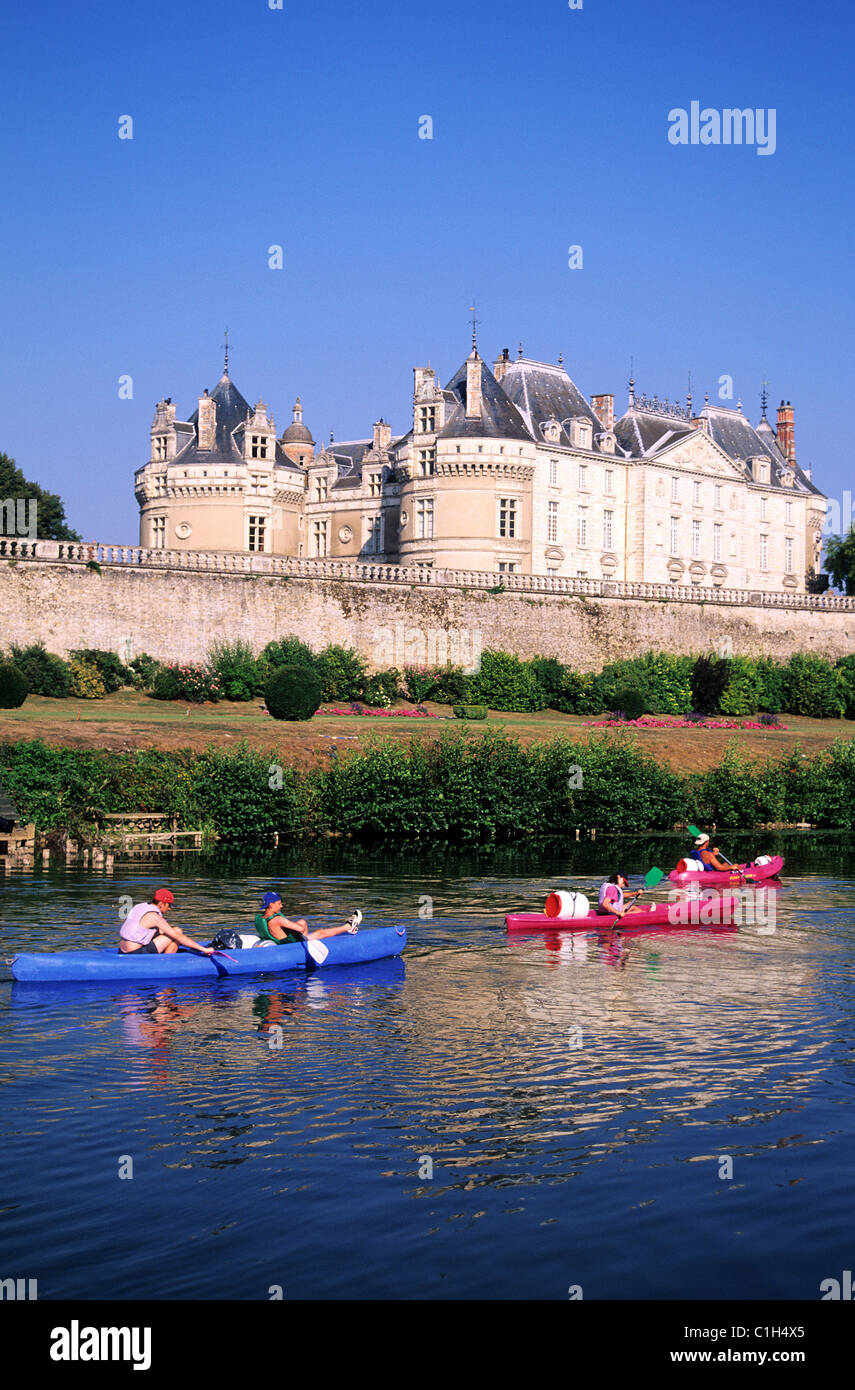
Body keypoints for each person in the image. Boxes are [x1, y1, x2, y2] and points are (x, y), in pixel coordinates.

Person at [119, 888, 215, 956]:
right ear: (161, 904)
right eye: (169, 905)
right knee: (177, 931)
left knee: (168, 933)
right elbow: (178, 936)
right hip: (134, 954)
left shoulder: (139, 907)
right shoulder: (154, 916)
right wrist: (204, 949)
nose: (169, 909)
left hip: (122, 950)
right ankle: (167, 961)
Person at [254, 892, 362, 944]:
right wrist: (291, 925)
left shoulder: (262, 918)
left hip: (279, 941)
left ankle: (306, 940)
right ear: (271, 905)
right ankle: (348, 926)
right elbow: (300, 929)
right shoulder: (278, 919)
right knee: (320, 932)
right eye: (279, 903)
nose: (281, 906)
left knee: (302, 921)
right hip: (290, 945)